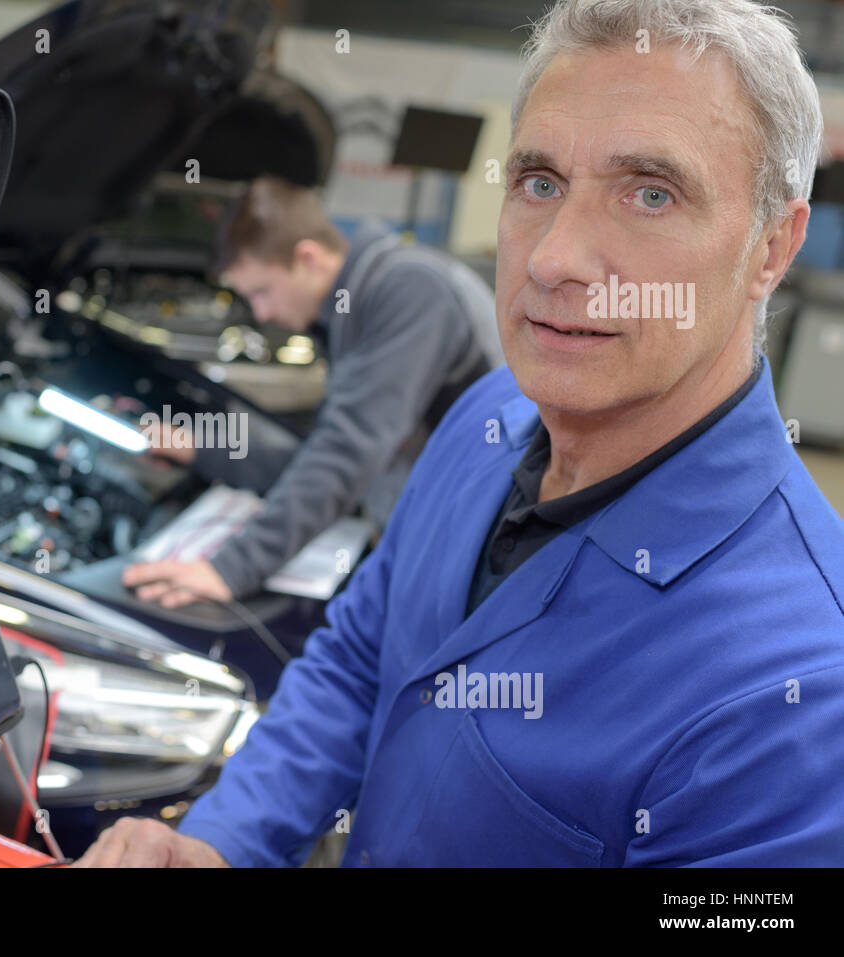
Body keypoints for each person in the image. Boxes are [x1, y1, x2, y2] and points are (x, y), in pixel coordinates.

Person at [75, 0, 844, 866]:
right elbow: (360, 660)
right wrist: (222, 840)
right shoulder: (483, 422)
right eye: (540, 182)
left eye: (651, 193)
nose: (554, 259)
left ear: (772, 245)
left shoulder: (803, 691)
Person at [124, 177, 500, 608]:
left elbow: (348, 451)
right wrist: (203, 450)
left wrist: (229, 570)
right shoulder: (360, 301)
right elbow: (324, 449)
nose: (262, 313)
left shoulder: (409, 290)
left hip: (475, 563)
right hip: (428, 533)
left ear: (308, 258)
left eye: (262, 292)